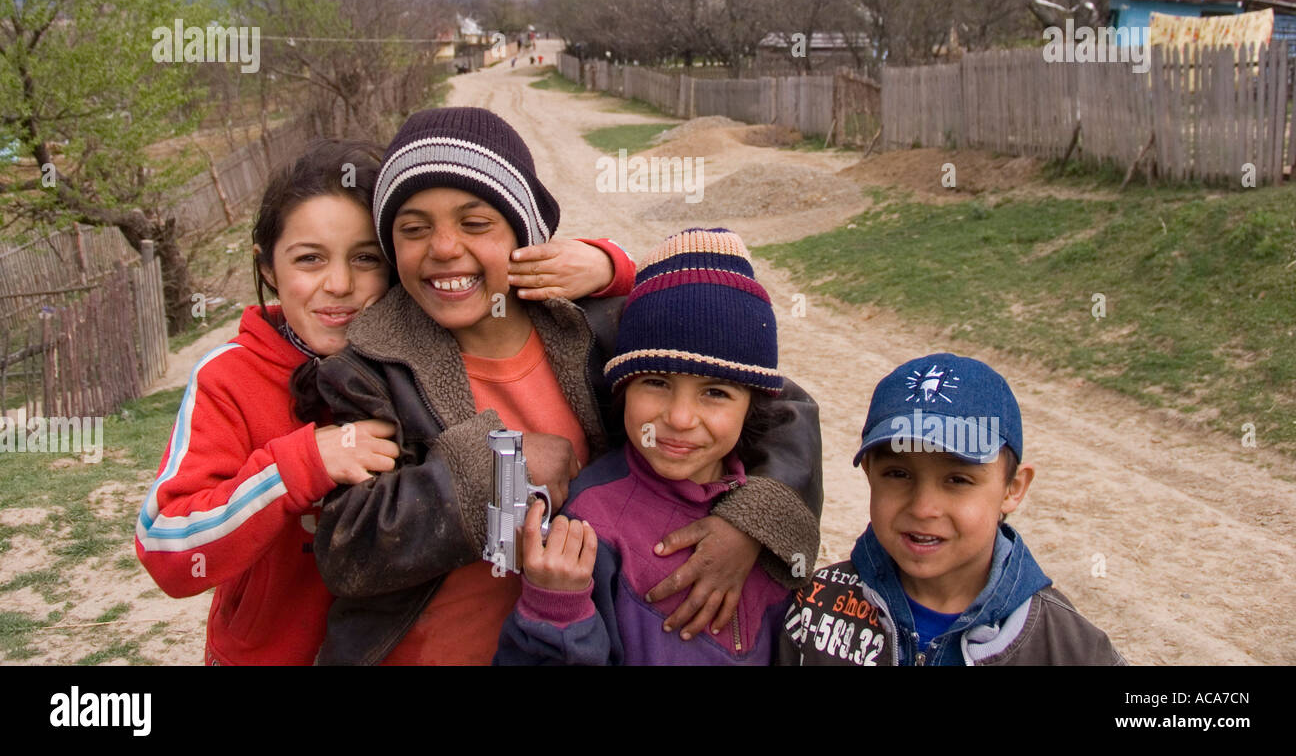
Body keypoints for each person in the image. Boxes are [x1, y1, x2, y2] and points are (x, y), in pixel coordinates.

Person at [299, 108, 822, 665]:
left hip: (584, 645)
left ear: (523, 232)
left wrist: (749, 525)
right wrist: (502, 473)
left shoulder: (597, 326)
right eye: (413, 228)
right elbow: (346, 547)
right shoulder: (369, 368)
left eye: (476, 224)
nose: (444, 248)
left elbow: (780, 405)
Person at [135, 137, 634, 665]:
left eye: (365, 259)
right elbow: (166, 547)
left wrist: (610, 265)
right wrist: (301, 464)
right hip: (271, 653)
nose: (340, 284)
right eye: (309, 259)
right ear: (267, 270)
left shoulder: (406, 361)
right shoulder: (232, 378)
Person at [495, 228, 815, 665]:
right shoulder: (590, 526)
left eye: (716, 392)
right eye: (656, 383)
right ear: (621, 389)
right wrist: (557, 611)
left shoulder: (772, 518)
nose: (680, 419)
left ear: (752, 407)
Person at [779, 353, 1126, 666]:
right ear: (870, 473)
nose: (924, 507)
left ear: (1013, 488)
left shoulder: (1067, 647)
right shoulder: (816, 606)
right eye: (898, 474)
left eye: (958, 480)